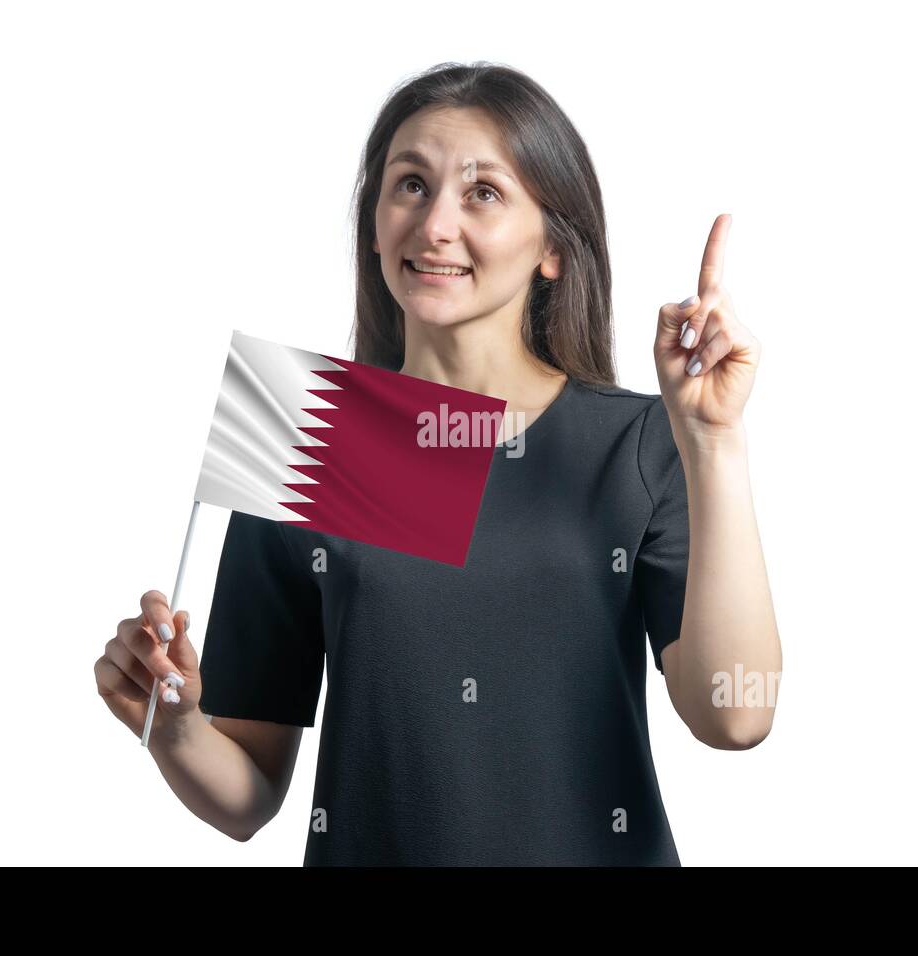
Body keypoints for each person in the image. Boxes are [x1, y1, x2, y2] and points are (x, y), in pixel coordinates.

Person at [94, 61, 782, 865]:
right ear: (375, 223)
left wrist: (714, 442)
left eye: (482, 193)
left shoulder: (637, 443)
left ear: (553, 247)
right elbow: (249, 795)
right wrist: (173, 727)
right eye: (410, 186)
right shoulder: (308, 434)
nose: (434, 225)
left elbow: (735, 716)